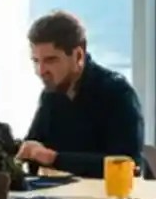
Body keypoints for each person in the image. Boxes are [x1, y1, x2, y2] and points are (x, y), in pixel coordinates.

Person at [16, 10, 144, 177]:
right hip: (63, 191)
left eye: (51, 60)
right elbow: (33, 147)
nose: (41, 71)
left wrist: (55, 159)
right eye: (36, 61)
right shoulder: (52, 93)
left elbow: (129, 164)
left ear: (78, 56)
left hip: (105, 193)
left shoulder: (117, 93)